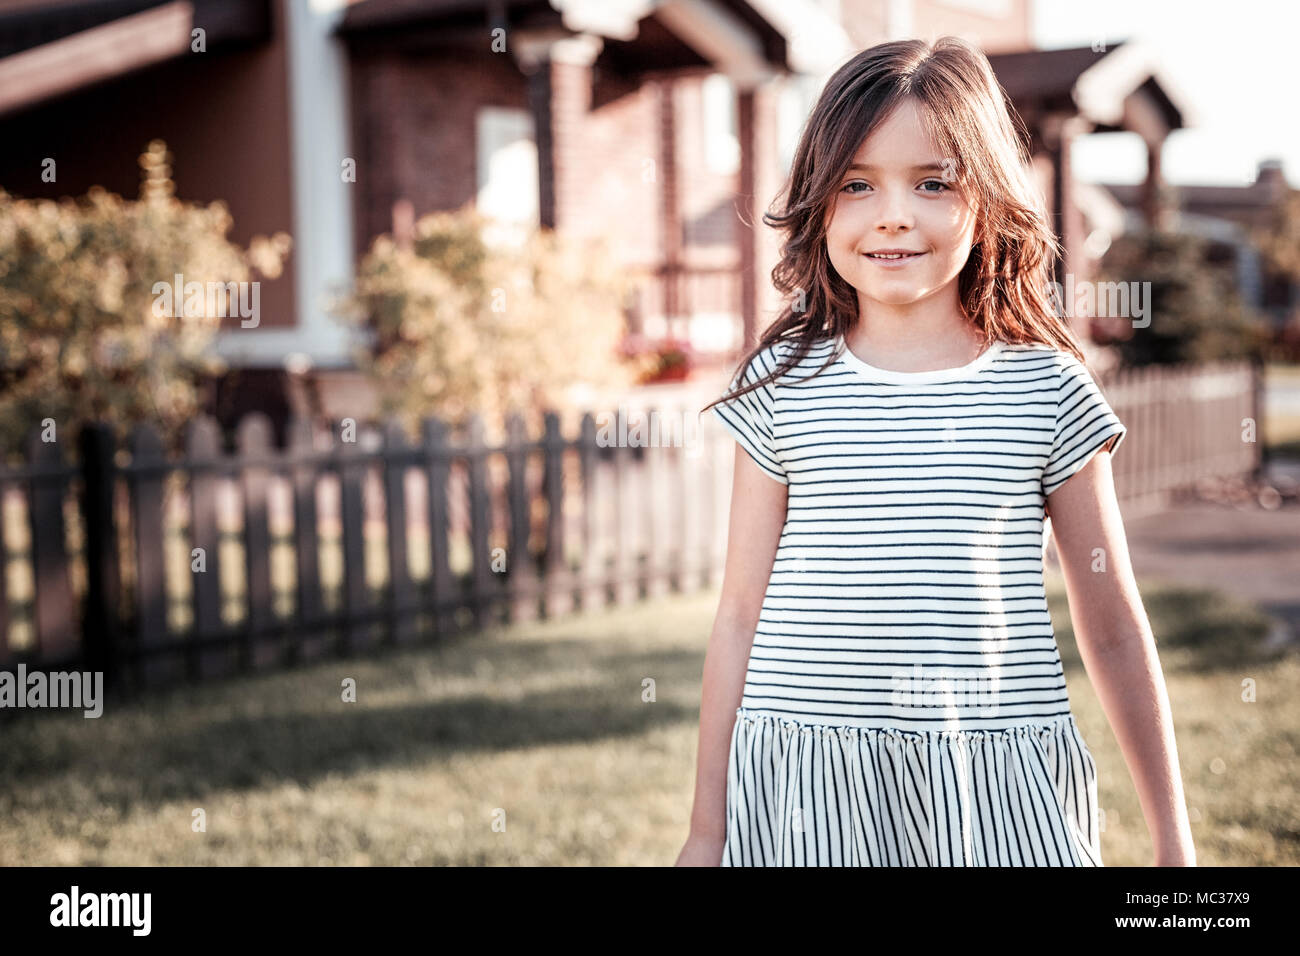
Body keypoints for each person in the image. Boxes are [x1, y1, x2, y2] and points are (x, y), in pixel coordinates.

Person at [677, 37, 1196, 867]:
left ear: (986, 198)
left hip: (990, 781)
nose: (892, 213)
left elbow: (1115, 630)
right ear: (819, 202)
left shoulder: (1046, 389)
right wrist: (707, 833)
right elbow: (739, 613)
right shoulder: (781, 382)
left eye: (931, 183)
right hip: (807, 783)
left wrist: (1175, 846)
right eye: (857, 184)